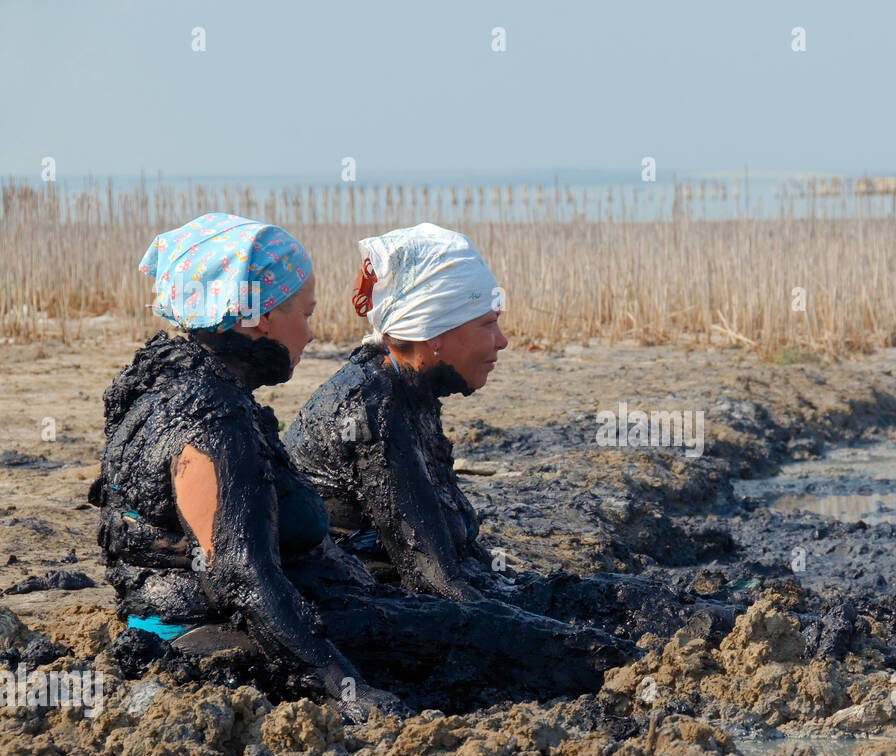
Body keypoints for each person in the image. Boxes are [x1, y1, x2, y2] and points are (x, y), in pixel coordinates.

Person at [93, 214, 630, 725]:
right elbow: (239, 577)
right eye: (303, 315)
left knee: (527, 630)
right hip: (217, 643)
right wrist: (351, 693)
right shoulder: (210, 419)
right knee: (550, 650)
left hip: (288, 614)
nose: (309, 335)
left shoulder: (170, 387)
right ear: (257, 318)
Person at [285, 223, 738, 641]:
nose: (501, 341)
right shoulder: (372, 409)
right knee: (596, 643)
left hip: (423, 591)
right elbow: (432, 577)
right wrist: (572, 640)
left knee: (638, 599)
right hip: (372, 612)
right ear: (434, 333)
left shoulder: (409, 388)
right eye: (488, 324)